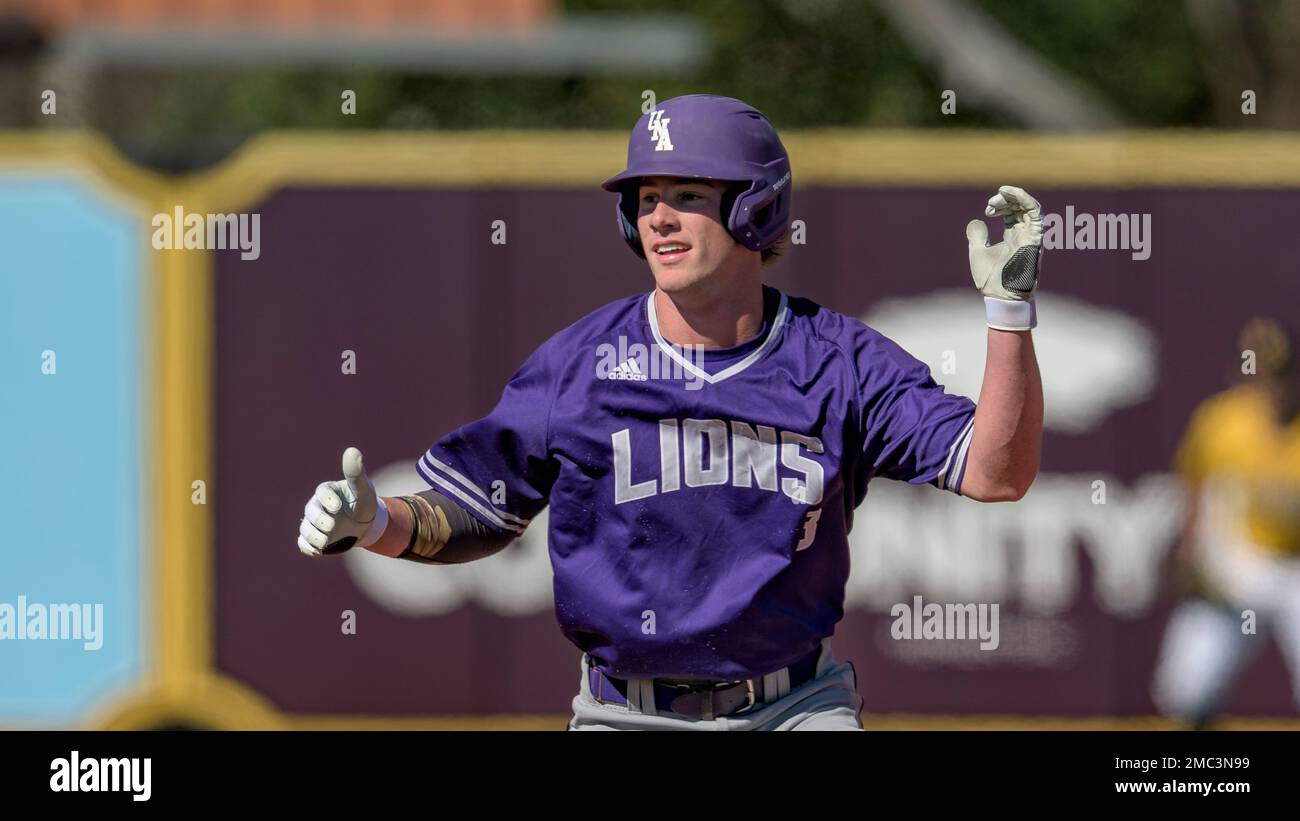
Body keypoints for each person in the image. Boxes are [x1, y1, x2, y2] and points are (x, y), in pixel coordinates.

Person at [295, 94, 1044, 730]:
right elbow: (478, 510)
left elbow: (996, 473)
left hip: (795, 708)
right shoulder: (579, 366)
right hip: (625, 713)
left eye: (688, 195)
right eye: (646, 198)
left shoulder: (836, 359)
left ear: (755, 207)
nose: (659, 218)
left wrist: (1008, 318)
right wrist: (375, 522)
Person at [1151, 317, 1300, 728]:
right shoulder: (1222, 421)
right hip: (1241, 565)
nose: (1271, 387)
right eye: (1261, 372)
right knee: (1187, 691)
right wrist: (1190, 551)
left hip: (1297, 571)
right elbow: (1195, 486)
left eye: (1281, 374)